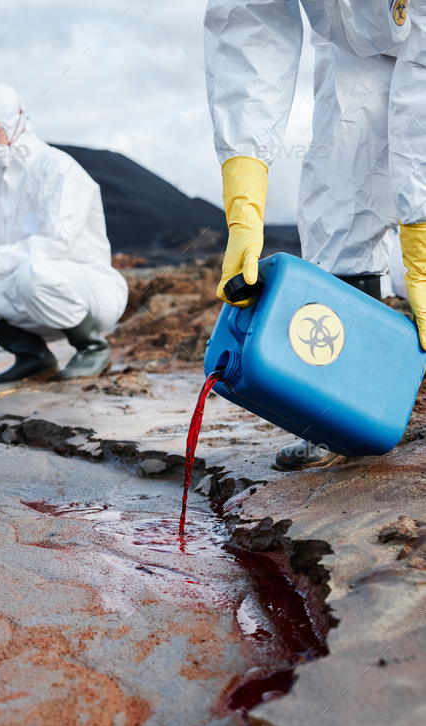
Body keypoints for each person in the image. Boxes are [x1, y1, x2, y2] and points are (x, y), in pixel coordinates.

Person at [204, 0, 426, 469]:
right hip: (352, 48)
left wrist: (421, 222)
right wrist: (244, 204)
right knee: (338, 201)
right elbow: (250, 26)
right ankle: (346, 410)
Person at [0, 83, 128, 385]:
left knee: (31, 272)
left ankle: (92, 347)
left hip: (91, 292)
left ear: (16, 121)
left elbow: (57, 242)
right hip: (32, 297)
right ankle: (33, 357)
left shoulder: (58, 169)